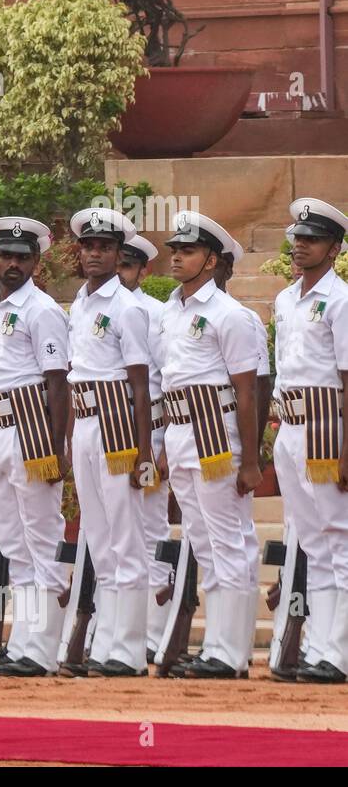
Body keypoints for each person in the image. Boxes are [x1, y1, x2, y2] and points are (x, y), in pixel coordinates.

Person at [159, 210, 262, 679]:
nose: (177, 257)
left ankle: (229, 651)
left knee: (227, 540)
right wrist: (164, 443)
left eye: (189, 251)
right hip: (180, 428)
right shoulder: (169, 311)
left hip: (215, 430)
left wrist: (251, 460)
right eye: (175, 250)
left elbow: (247, 390)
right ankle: (217, 647)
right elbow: (168, 380)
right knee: (202, 541)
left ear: (211, 260)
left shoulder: (229, 315)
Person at [0, 217, 70, 677]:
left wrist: (55, 446)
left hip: (31, 424)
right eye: (5, 255)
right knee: (13, 541)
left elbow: (57, 382)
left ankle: (43, 647)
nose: (12, 264)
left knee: (41, 536)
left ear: (36, 261)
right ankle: (23, 643)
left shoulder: (43, 309)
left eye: (21, 257)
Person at [64, 208, 154, 677]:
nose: (95, 253)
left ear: (119, 254)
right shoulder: (78, 304)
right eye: (88, 246)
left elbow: (140, 383)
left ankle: (130, 649)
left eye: (104, 247)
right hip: (84, 420)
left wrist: (144, 451)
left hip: (118, 421)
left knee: (125, 536)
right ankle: (106, 643)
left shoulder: (128, 306)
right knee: (99, 539)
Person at [270, 198, 348, 683]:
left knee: (339, 539)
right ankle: (321, 649)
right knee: (314, 545)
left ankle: (338, 653)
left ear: (334, 248)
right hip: (291, 425)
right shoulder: (285, 299)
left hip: (326, 425)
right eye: (297, 238)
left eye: (312, 239)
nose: (300, 246)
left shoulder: (341, 300)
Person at [114, 233, 173, 660]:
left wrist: (163, 445)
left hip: (148, 434)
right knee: (117, 532)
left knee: (152, 528)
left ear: (143, 270)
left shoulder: (157, 313)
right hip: (111, 435)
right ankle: (121, 628)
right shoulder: (97, 307)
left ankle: (156, 630)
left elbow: (170, 380)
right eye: (119, 264)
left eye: (129, 266)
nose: (122, 273)